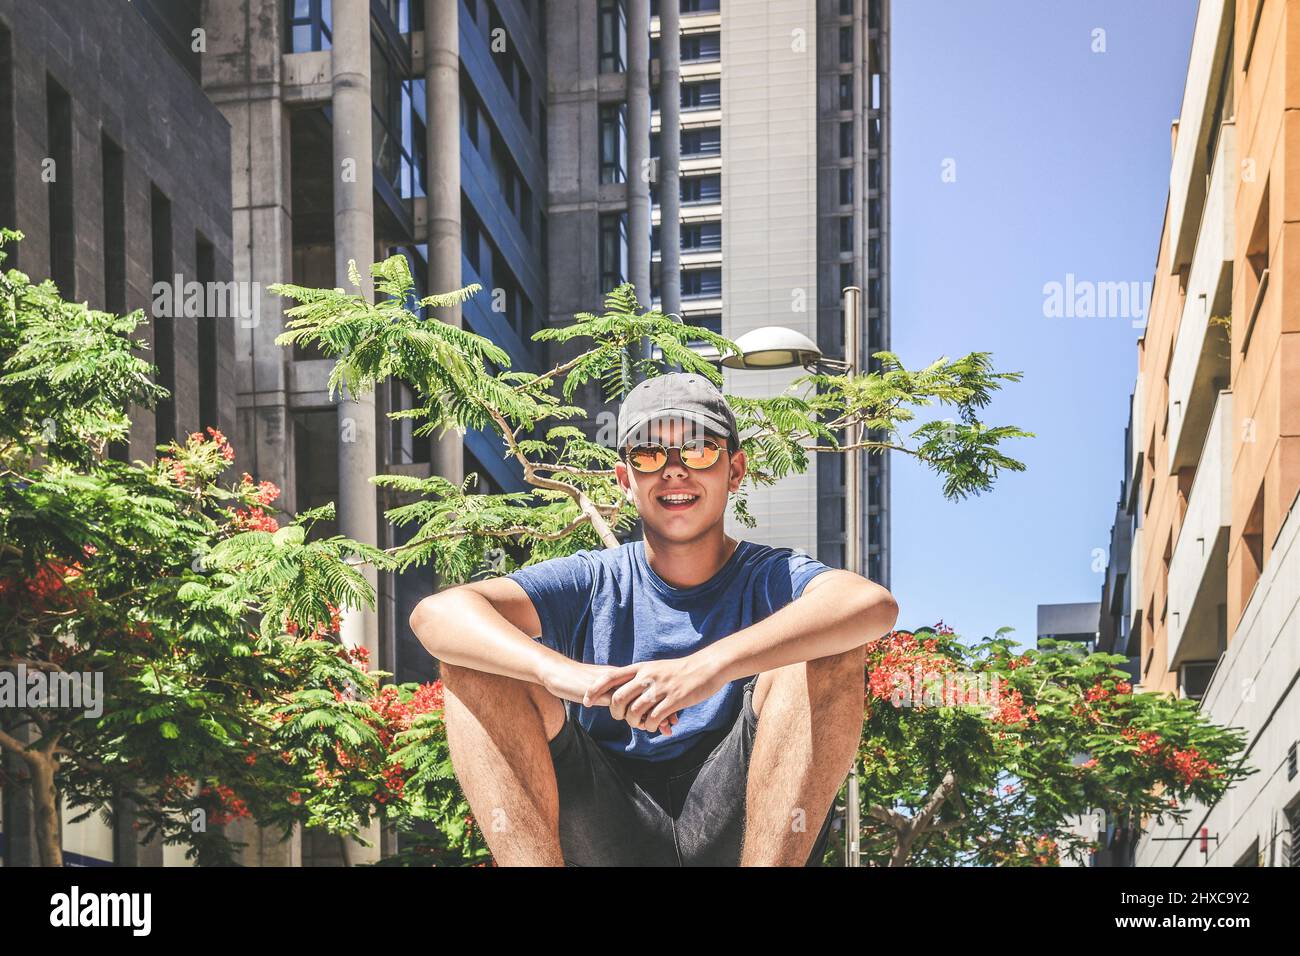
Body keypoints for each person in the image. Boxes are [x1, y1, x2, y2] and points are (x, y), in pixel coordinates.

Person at [408, 371, 899, 866]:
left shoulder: (768, 576)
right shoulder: (593, 579)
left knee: (827, 647)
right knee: (477, 661)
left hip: (740, 820)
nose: (674, 471)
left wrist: (706, 668)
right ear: (626, 481)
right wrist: (561, 672)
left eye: (699, 451)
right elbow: (438, 613)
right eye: (648, 455)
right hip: (606, 823)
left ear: (734, 470)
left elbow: (869, 604)